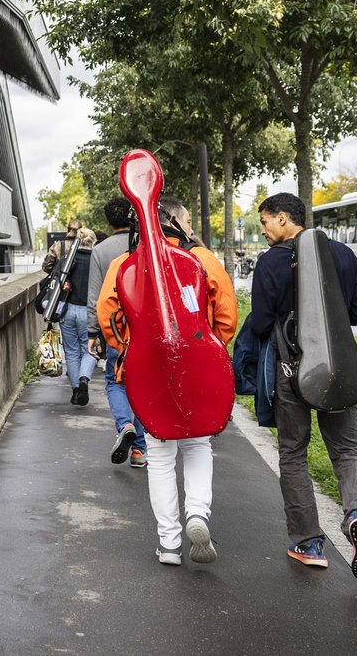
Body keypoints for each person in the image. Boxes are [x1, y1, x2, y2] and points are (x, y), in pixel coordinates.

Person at [98, 195, 237, 566]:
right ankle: (197, 514)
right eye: (187, 220)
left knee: (159, 455)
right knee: (198, 444)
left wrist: (132, 352)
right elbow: (226, 314)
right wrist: (209, 350)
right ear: (175, 221)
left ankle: (169, 544)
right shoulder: (202, 258)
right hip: (198, 365)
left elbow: (108, 317)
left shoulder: (125, 263)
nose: (190, 226)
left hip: (150, 370)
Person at [250, 191, 357, 579]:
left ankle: (308, 543)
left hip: (293, 372)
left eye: (265, 222)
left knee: (293, 453)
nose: (263, 231)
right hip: (339, 368)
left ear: (283, 218)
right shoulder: (341, 254)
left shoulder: (270, 262)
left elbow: (260, 322)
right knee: (348, 450)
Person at [87, 196, 147, 467]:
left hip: (116, 329)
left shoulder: (100, 251)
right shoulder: (145, 245)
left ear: (109, 221)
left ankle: (125, 425)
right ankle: (139, 451)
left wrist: (93, 333)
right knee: (143, 385)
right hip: (145, 327)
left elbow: (95, 298)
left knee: (115, 382)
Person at [59, 226, 100, 406]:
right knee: (89, 348)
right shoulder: (96, 260)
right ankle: (84, 378)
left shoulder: (68, 259)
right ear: (93, 242)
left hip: (67, 309)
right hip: (89, 311)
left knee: (71, 351)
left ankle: (76, 390)